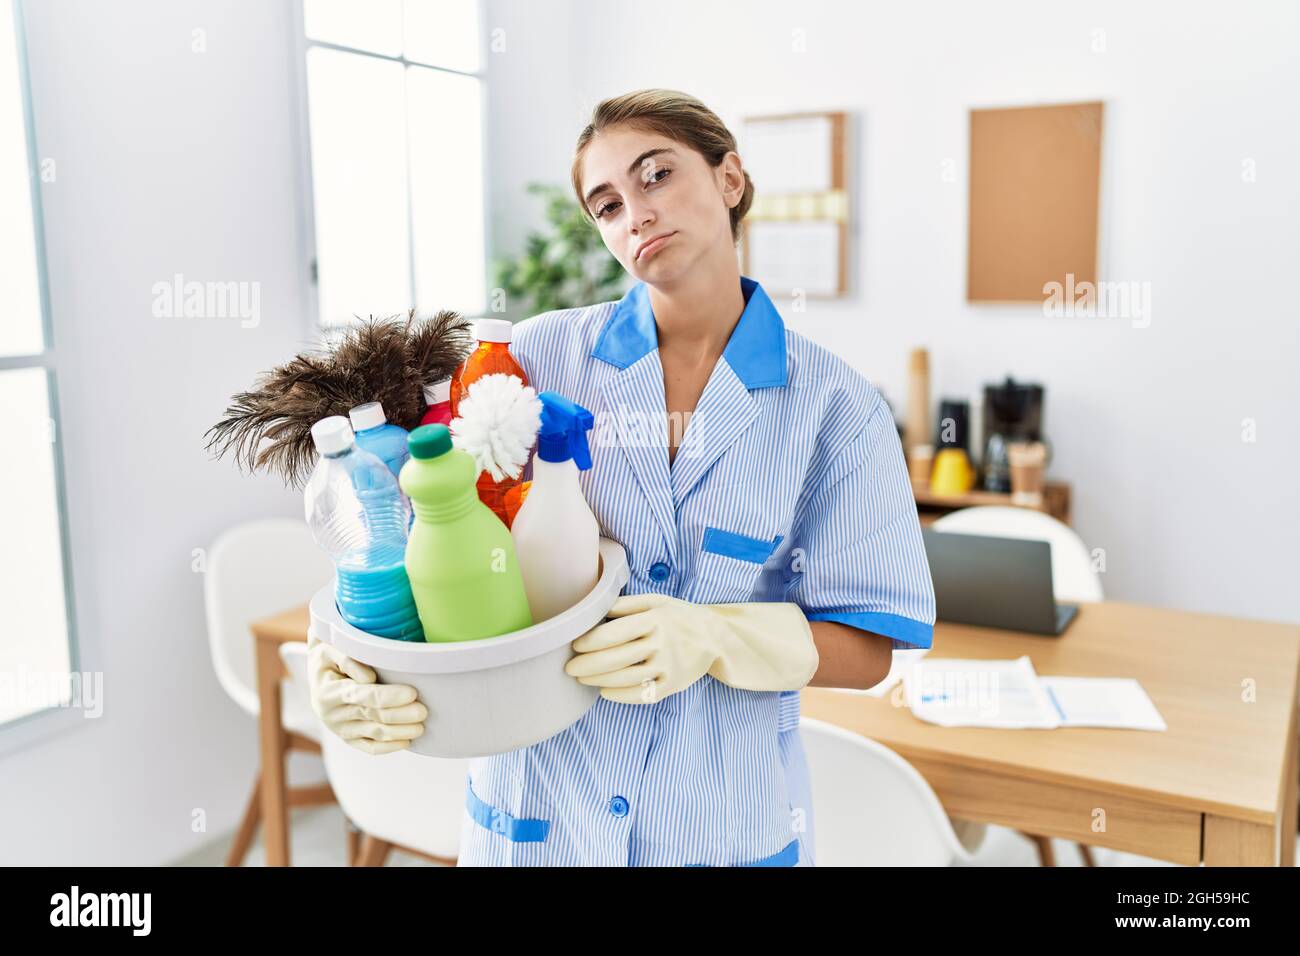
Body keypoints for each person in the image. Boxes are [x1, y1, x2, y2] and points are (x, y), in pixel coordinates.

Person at [307, 89, 936, 867]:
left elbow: (873, 644)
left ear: (730, 178)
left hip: (719, 829)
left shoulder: (835, 408)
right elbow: (407, 527)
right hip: (536, 822)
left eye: (657, 176)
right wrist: (342, 657)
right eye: (605, 204)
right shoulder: (530, 362)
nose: (634, 213)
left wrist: (714, 636)